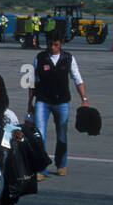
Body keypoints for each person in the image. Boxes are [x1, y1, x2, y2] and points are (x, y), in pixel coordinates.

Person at [27, 30, 88, 178]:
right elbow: (32, 81)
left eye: (55, 44)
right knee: (39, 135)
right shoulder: (39, 57)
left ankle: (61, 164)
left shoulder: (69, 58)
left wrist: (84, 99)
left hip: (62, 102)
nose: (52, 47)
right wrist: (30, 103)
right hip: (42, 101)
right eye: (50, 44)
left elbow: (77, 79)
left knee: (62, 135)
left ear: (61, 44)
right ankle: (41, 169)